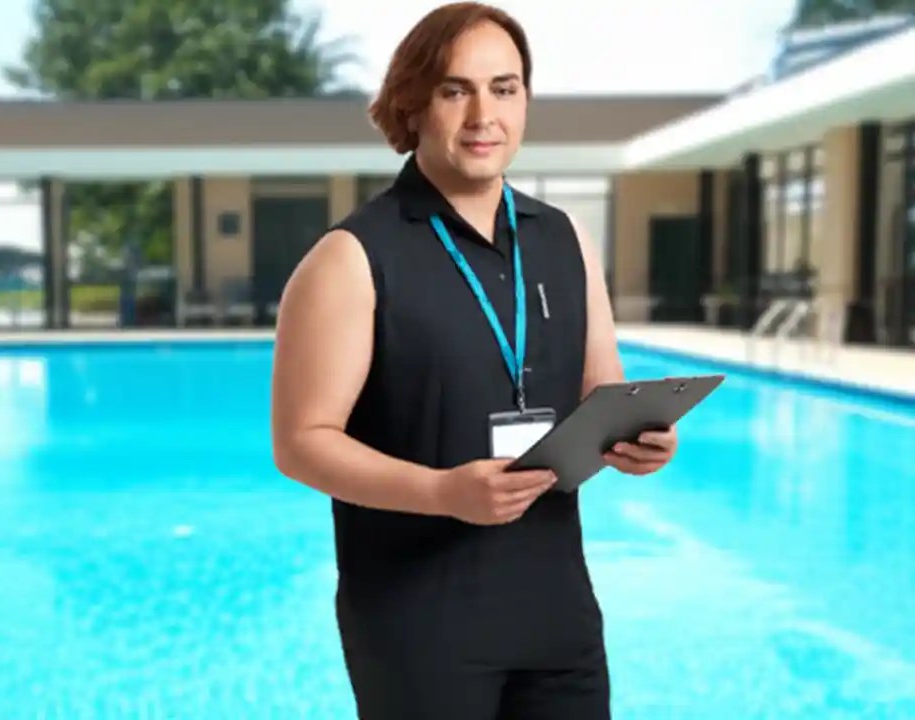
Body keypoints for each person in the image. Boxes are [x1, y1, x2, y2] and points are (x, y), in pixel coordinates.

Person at [269, 3, 679, 718]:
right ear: (413, 104)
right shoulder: (351, 257)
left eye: (505, 87)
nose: (484, 113)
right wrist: (443, 493)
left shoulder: (565, 240)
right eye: (456, 90)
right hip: (416, 616)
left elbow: (601, 388)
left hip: (557, 607)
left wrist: (636, 435)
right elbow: (301, 444)